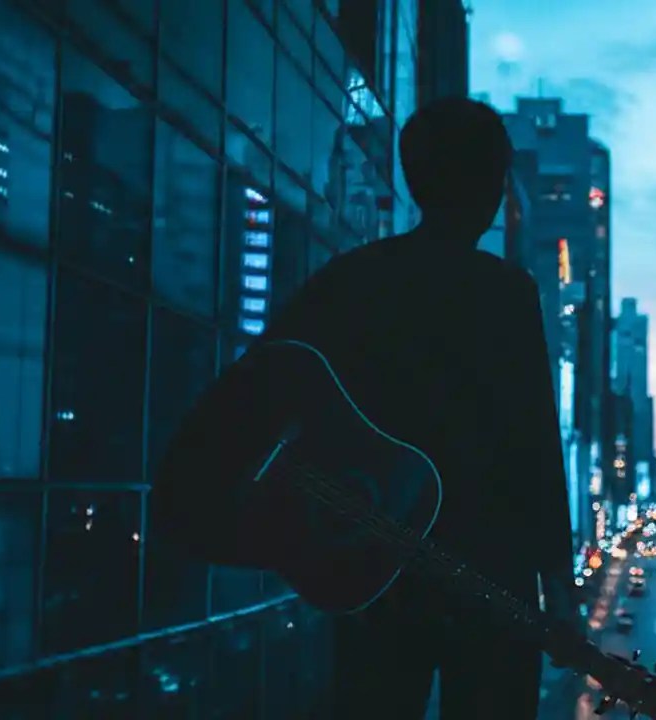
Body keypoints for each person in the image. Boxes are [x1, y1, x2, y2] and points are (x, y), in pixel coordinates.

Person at [219, 98, 574, 718]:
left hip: (375, 569)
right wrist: (561, 597)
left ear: (415, 181)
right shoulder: (505, 293)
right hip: (493, 575)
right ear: (488, 184)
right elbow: (536, 452)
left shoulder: (352, 279)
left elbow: (262, 395)